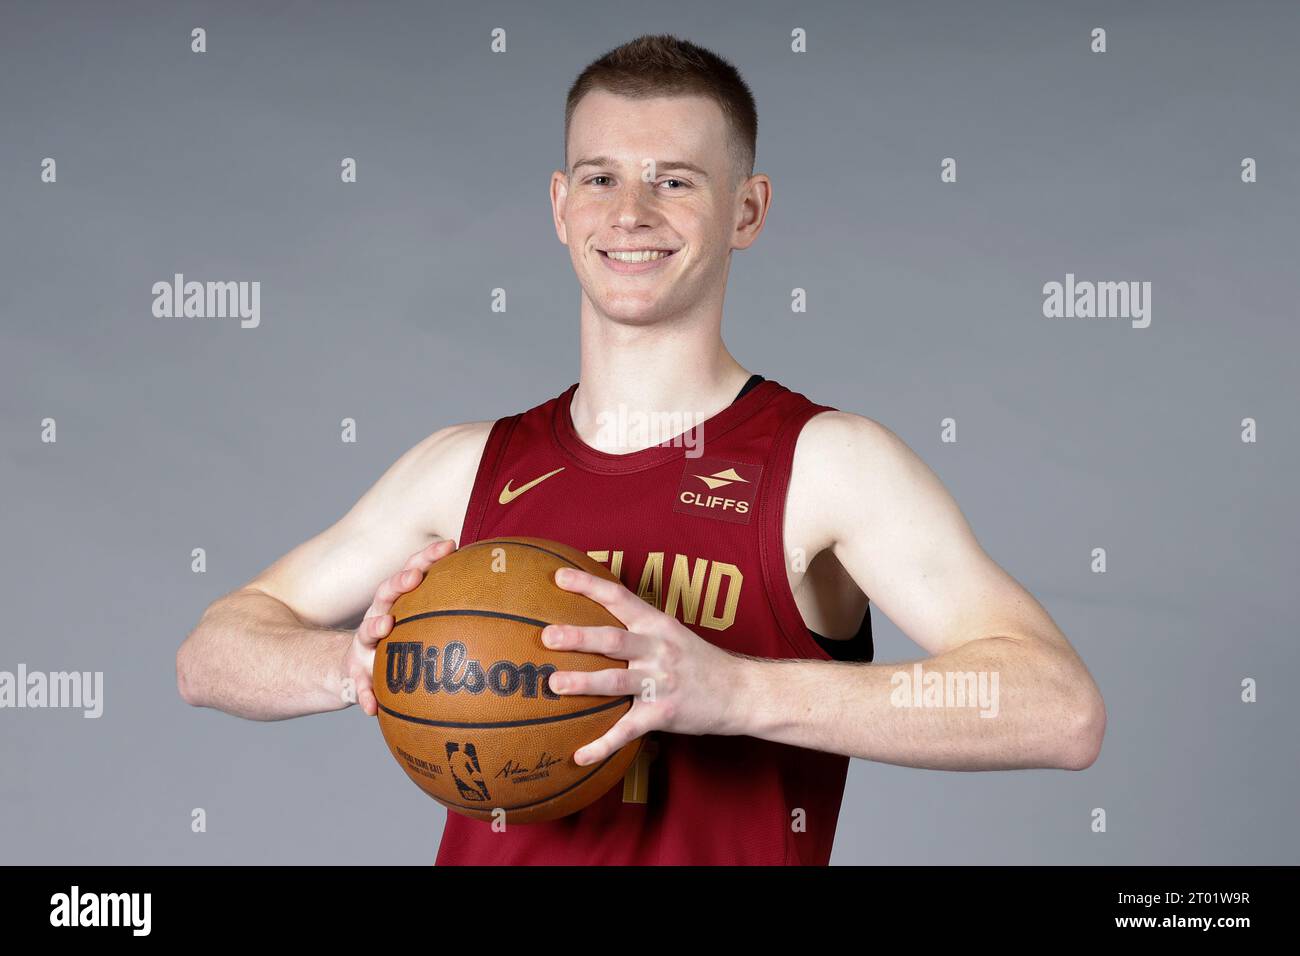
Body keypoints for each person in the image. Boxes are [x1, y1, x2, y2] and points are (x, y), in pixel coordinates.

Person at [176, 34, 1105, 865]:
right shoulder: (466, 467)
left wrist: (734, 692)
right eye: (599, 176)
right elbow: (211, 652)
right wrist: (368, 667)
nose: (629, 212)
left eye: (673, 179)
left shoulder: (828, 464)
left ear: (746, 211)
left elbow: (1057, 709)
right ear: (559, 204)